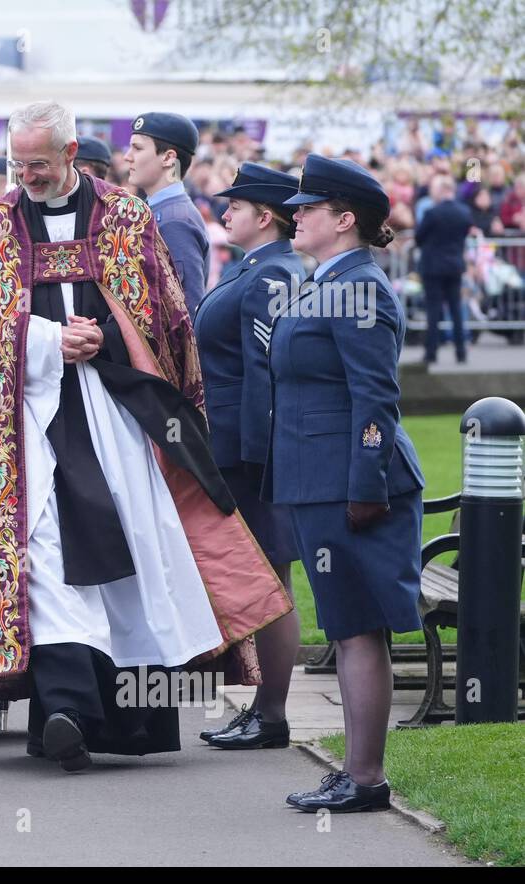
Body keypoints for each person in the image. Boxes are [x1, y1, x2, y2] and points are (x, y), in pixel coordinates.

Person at [0, 101, 289, 772]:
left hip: (118, 416)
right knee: (44, 560)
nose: (27, 176)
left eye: (39, 164)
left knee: (132, 558)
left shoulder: (125, 218)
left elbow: (169, 320)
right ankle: (66, 711)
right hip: (28, 428)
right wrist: (48, 341)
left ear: (72, 151)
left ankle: (127, 725)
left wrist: (108, 337)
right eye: (18, 165)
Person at [273, 155, 425, 812]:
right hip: (322, 480)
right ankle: (357, 772)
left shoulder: (357, 288)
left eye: (307, 208)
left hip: (348, 484)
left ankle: (365, 778)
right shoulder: (331, 282)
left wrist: (366, 485)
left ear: (344, 220)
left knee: (357, 627)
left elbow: (376, 397)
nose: (294, 215)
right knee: (347, 626)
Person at [192, 163, 306, 750]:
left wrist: (259, 462)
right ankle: (263, 707)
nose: (224, 212)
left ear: (265, 216)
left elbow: (266, 374)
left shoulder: (272, 274)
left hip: (251, 454)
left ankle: (272, 714)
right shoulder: (255, 268)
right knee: (262, 577)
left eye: (234, 205)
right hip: (238, 448)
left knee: (270, 579)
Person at [124, 112, 210, 318]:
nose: (128, 156)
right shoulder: (161, 210)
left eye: (137, 148)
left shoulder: (175, 220)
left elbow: (184, 309)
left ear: (168, 158)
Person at [415, 174, 473, 365]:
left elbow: (419, 238)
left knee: (433, 311)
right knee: (456, 309)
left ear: (441, 190)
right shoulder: (464, 212)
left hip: (433, 267)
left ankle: (431, 352)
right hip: (455, 265)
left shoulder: (433, 212)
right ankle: (461, 352)